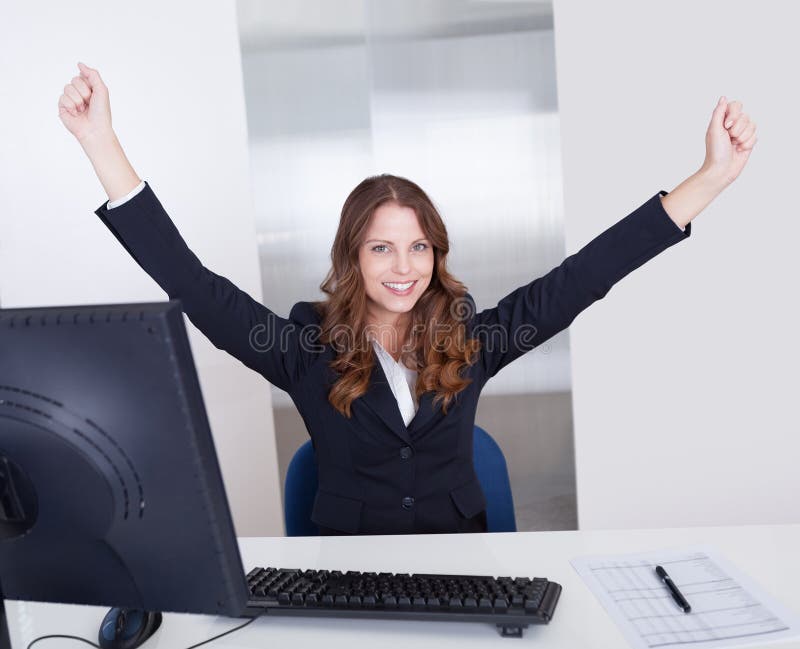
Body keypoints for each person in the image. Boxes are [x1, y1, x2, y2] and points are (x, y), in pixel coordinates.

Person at [58, 62, 757, 535]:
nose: (403, 267)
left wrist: (710, 179)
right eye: (381, 248)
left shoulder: (471, 339)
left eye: (418, 246)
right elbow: (194, 285)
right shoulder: (303, 349)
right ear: (352, 258)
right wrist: (101, 142)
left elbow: (581, 278)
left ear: (436, 254)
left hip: (464, 563)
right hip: (348, 573)